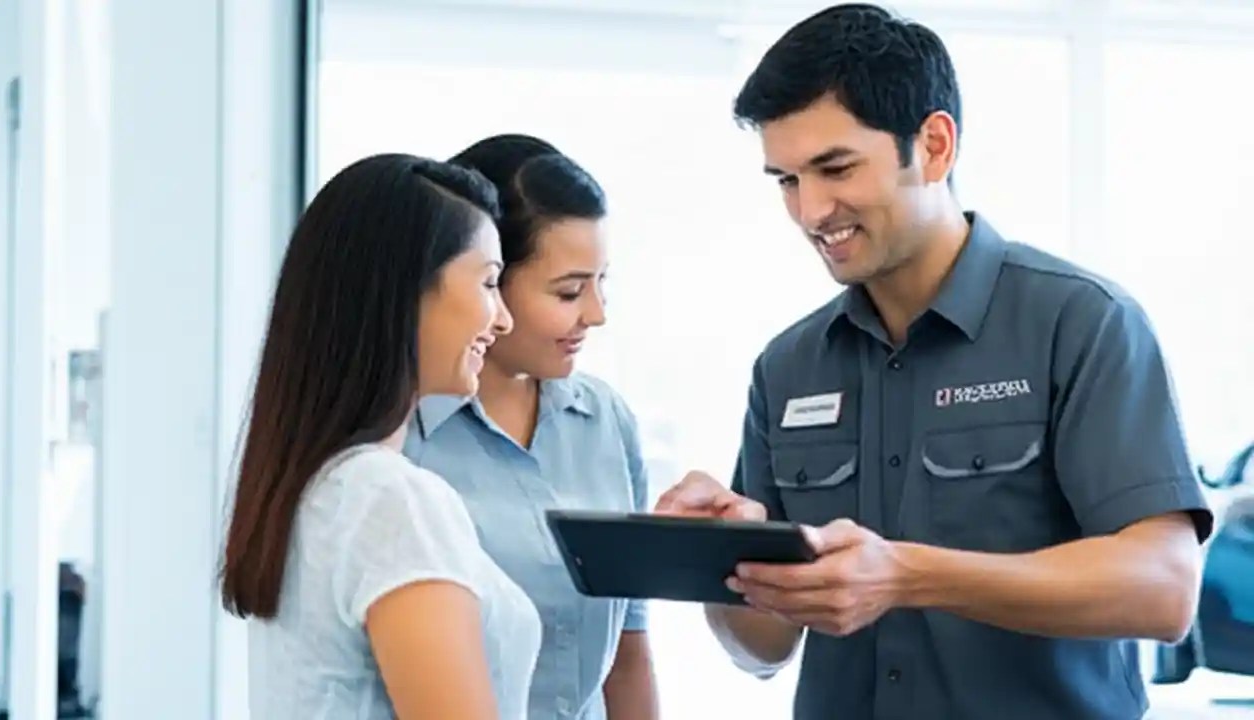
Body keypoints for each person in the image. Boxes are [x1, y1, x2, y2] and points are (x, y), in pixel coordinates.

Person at [653, 5, 1212, 720]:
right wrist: (718, 561)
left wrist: (907, 575)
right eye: (786, 180)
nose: (810, 211)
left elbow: (1163, 589)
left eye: (835, 168)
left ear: (936, 145)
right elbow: (762, 647)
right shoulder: (787, 367)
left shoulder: (1082, 324)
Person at [219, 153, 540, 719]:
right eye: (489, 283)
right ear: (405, 290)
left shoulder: (320, 488)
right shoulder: (390, 499)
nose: (502, 319)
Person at [403, 134, 659, 720]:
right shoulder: (400, 440)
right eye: (569, 290)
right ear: (484, 280)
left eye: (601, 283)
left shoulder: (606, 423)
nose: (595, 314)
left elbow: (628, 658)